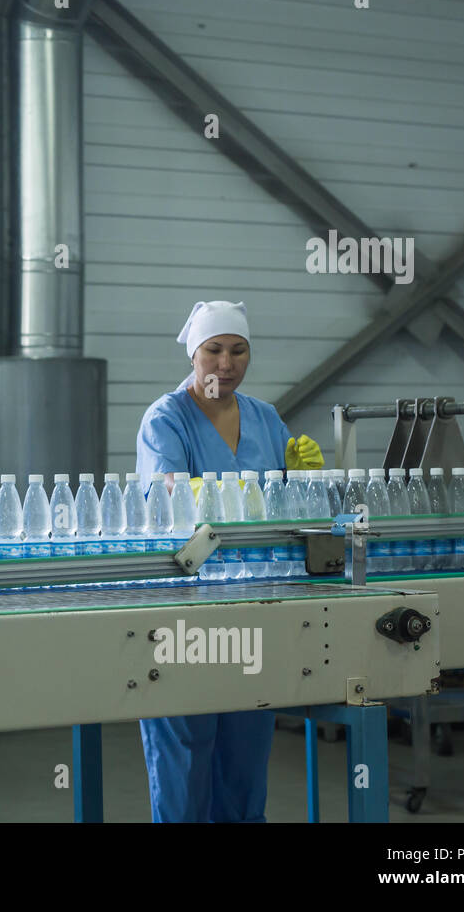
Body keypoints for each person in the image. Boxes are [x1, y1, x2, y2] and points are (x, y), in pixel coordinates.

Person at [134, 299, 323, 822]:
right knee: (185, 753)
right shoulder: (165, 419)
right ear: (194, 354)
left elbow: (290, 503)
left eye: (238, 351)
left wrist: (300, 478)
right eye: (213, 350)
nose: (226, 363)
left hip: (254, 601)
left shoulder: (265, 417)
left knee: (245, 751)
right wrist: (226, 493)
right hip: (185, 609)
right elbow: (165, 497)